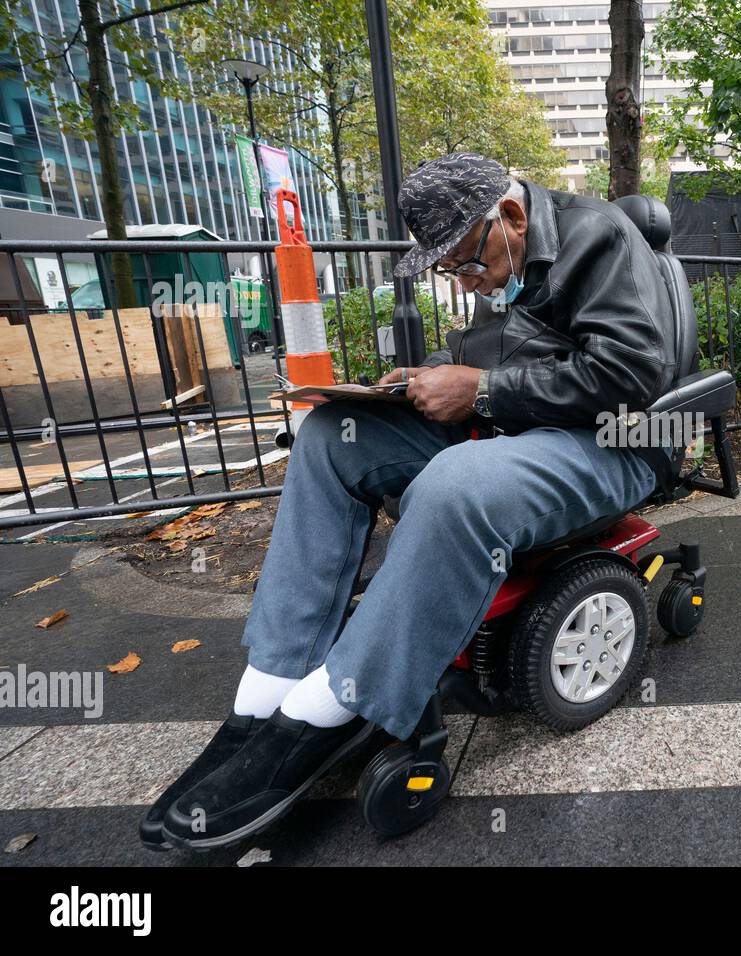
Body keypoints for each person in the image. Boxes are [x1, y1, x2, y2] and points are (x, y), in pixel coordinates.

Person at [139, 152, 678, 850]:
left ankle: (332, 706)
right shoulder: (509, 254)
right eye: (450, 271)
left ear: (510, 218)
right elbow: (514, 360)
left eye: (464, 264)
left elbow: (633, 374)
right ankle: (271, 681)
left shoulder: (598, 236)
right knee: (333, 434)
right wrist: (433, 384)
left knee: (455, 485)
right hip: (519, 427)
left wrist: (480, 390)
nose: (465, 282)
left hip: (614, 443)